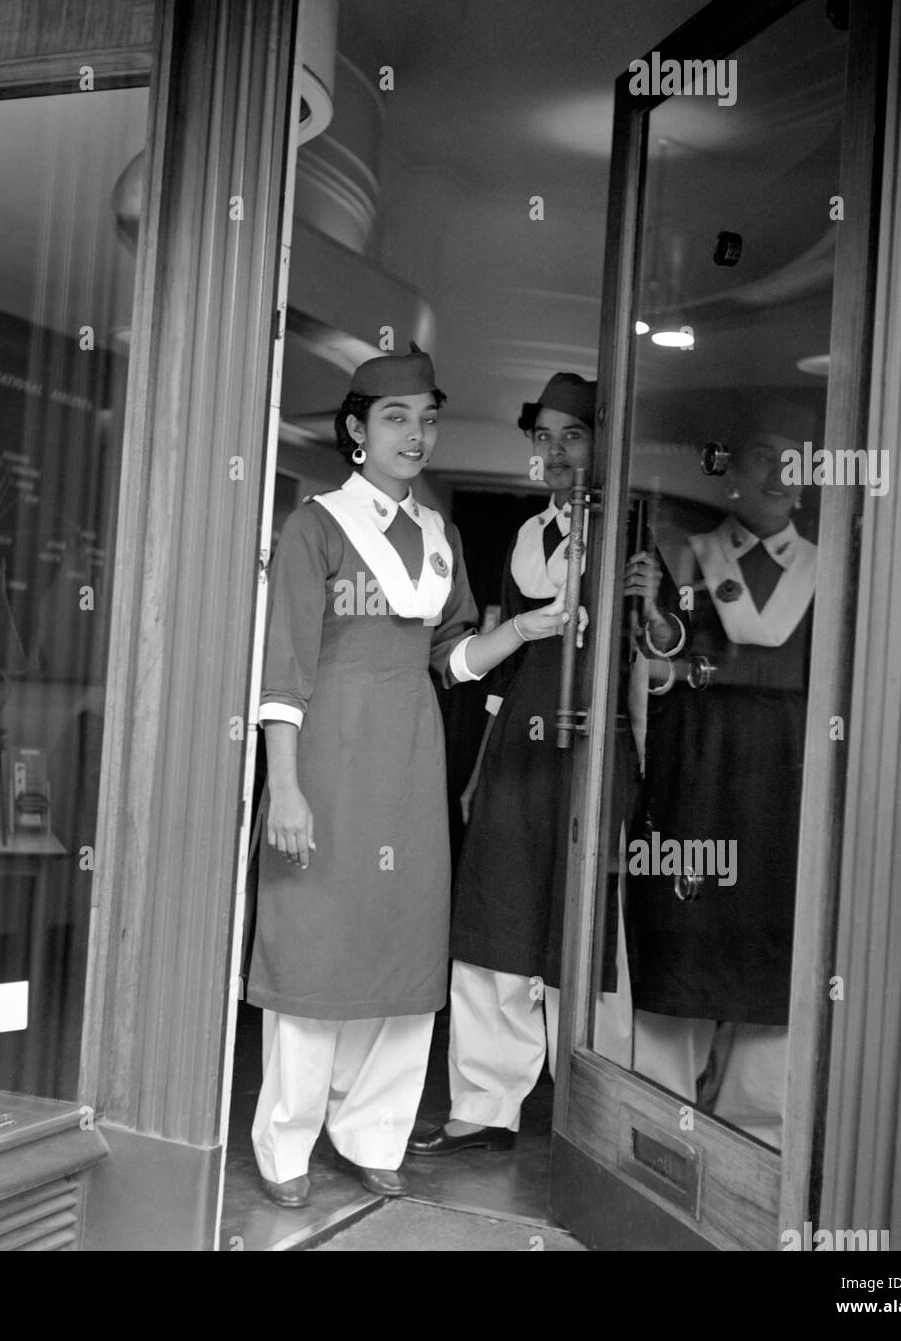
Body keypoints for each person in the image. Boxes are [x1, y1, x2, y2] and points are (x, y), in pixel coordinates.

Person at [248, 345, 570, 1207]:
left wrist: (526, 632)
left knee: (400, 956)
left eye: (428, 418)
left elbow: (450, 657)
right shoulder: (314, 527)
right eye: (396, 418)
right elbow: (281, 669)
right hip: (324, 758)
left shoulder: (440, 537)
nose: (416, 435)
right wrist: (283, 786)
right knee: (315, 950)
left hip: (408, 766)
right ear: (355, 430)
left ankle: (371, 1134)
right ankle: (285, 1144)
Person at [408, 372, 688, 1156]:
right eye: (543, 437)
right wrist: (478, 764)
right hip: (515, 743)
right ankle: (483, 1102)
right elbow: (493, 663)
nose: (556, 451)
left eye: (572, 435)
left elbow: (668, 662)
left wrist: (657, 609)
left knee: (584, 927)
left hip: (595, 746)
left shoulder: (642, 534)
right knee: (495, 911)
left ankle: (594, 1111)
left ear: (603, 442)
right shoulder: (528, 534)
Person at [626, 411, 817, 1149]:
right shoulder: (685, 557)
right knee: (687, 929)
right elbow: (660, 663)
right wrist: (654, 622)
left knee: (770, 940)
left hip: (786, 779)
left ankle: (751, 1132)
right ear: (731, 475)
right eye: (763, 457)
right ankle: (661, 1117)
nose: (778, 475)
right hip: (699, 773)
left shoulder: (828, 570)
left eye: (794, 464)